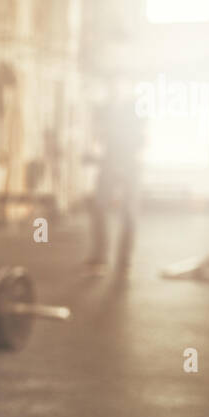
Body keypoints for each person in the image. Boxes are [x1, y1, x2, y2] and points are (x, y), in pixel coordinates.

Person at [84, 75, 144, 273]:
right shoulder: (105, 109)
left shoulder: (135, 109)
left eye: (118, 85)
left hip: (129, 163)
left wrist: (124, 161)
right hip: (109, 162)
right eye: (112, 86)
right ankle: (100, 257)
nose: (115, 89)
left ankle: (124, 258)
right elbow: (99, 135)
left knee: (129, 212)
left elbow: (140, 138)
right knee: (99, 207)